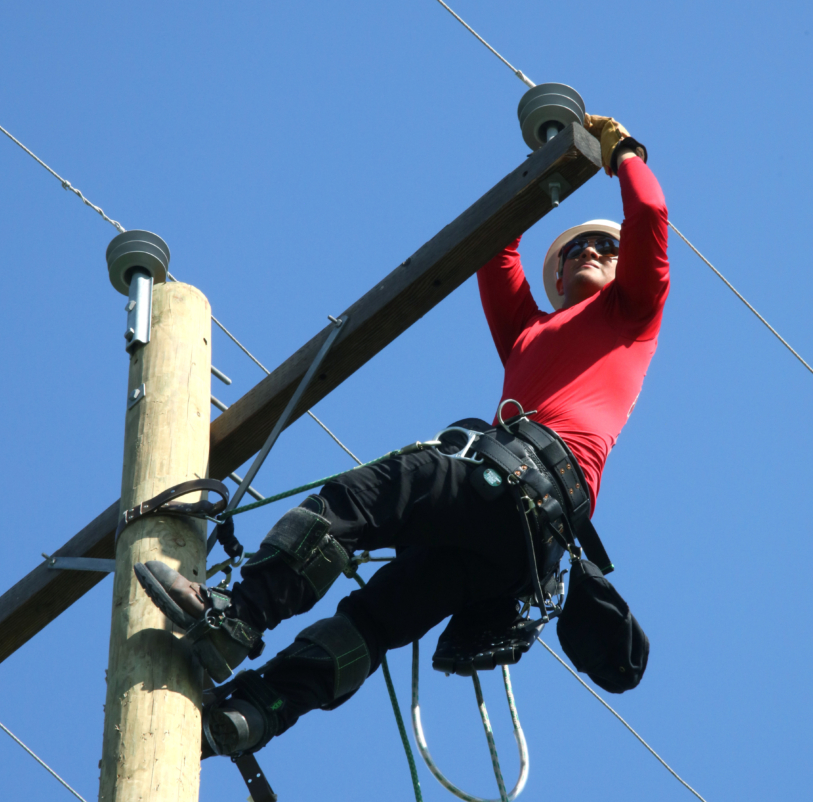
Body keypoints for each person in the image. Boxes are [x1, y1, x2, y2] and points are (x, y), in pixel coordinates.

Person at [134, 114, 669, 759]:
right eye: (575, 249)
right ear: (554, 282)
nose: (589, 251)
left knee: (360, 501)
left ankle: (237, 616)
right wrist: (544, 168)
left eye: (605, 247)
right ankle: (256, 712)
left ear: (626, 266)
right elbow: (494, 249)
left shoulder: (633, 313)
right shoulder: (528, 334)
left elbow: (649, 214)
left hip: (516, 489)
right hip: (515, 548)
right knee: (375, 620)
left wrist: (622, 153)